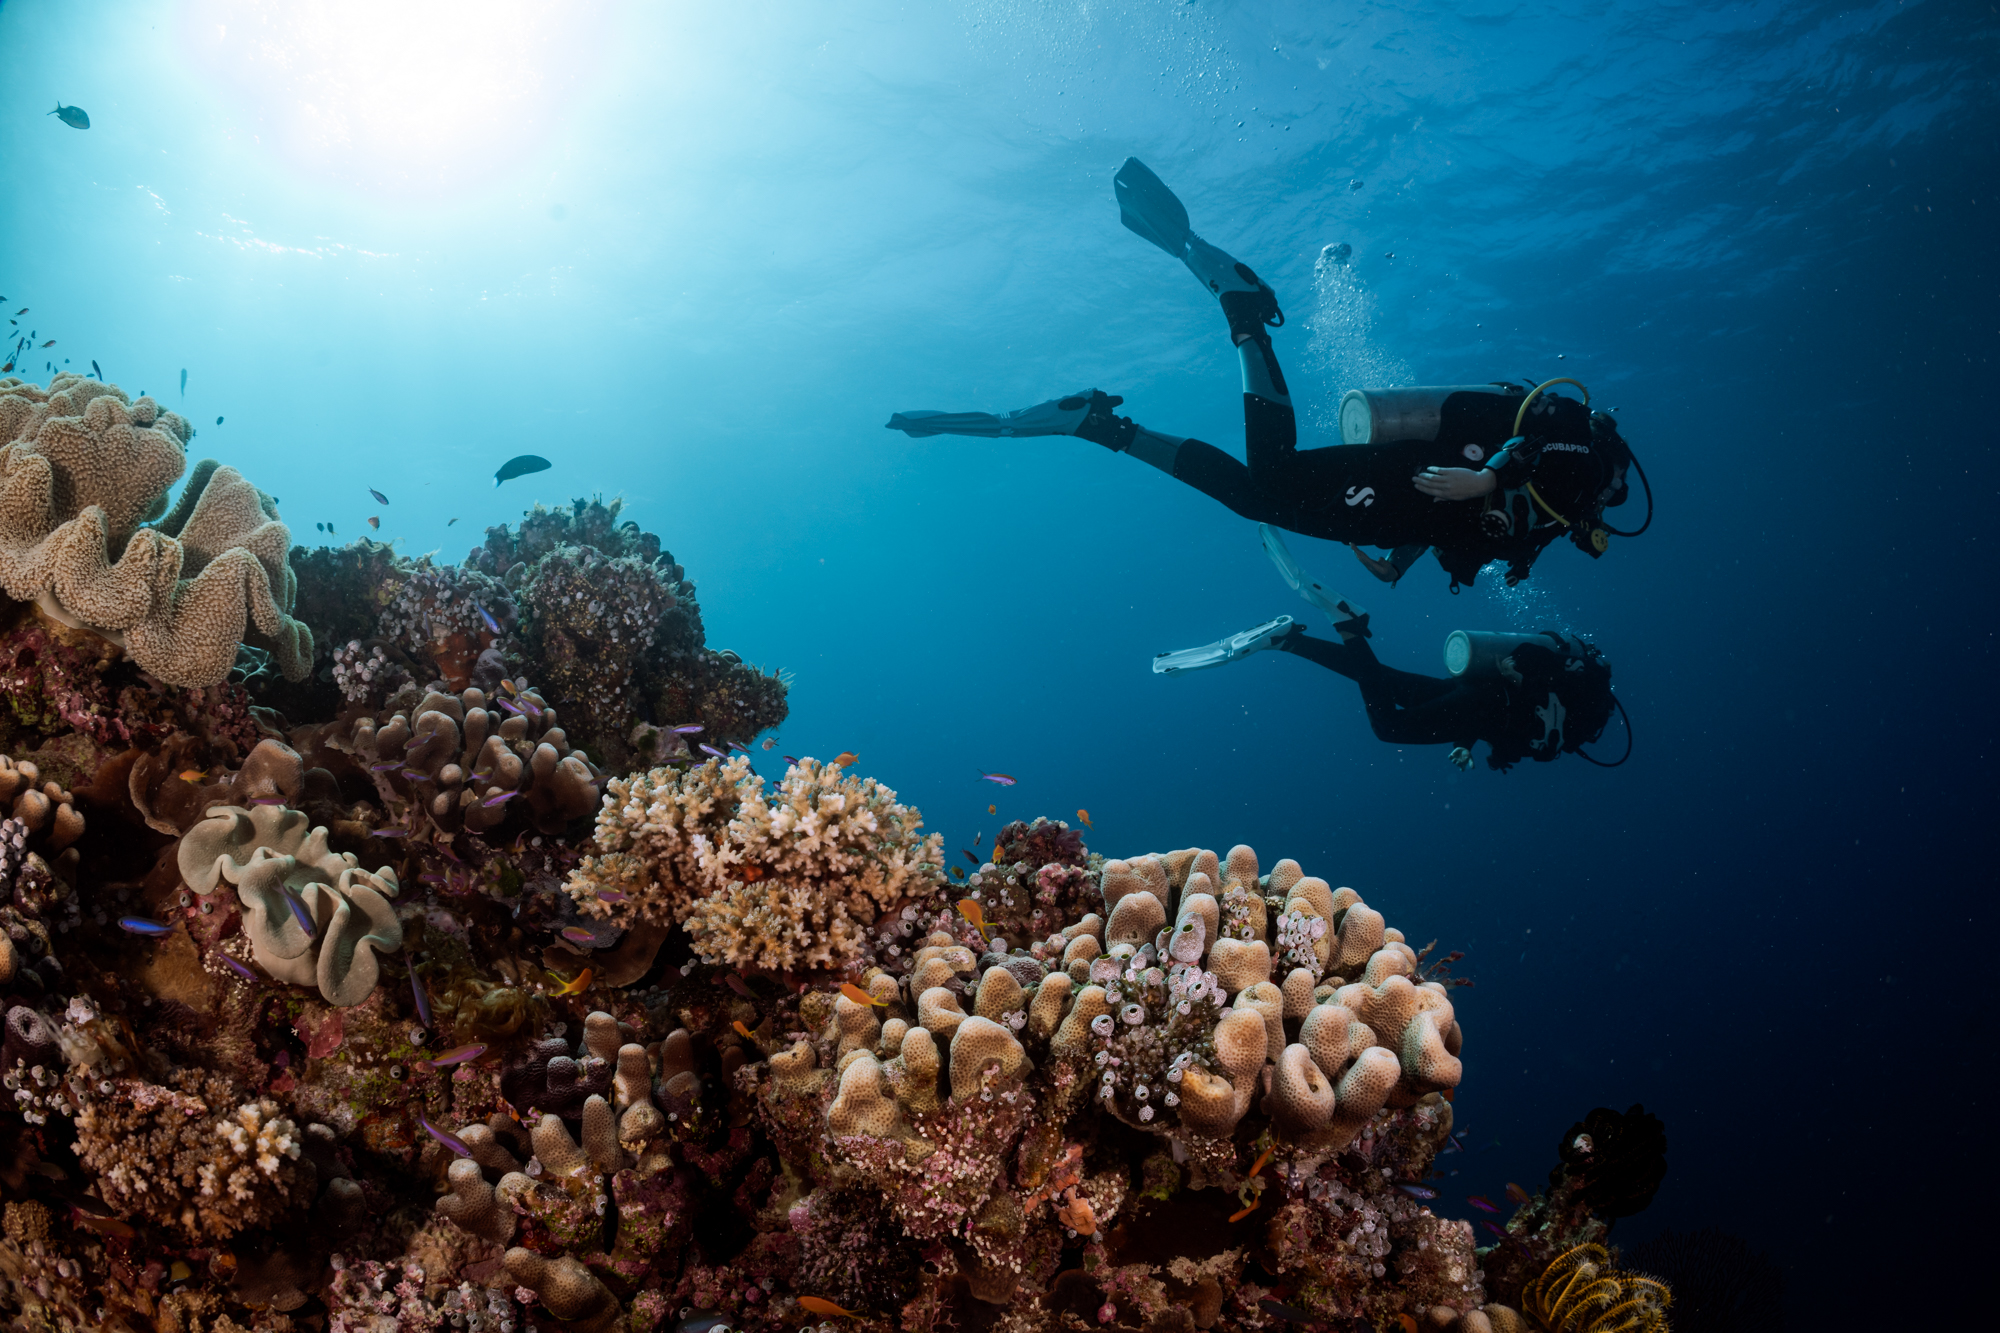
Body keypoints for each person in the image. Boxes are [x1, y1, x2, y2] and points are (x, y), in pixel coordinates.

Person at [889, 159, 1645, 591]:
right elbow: (1543, 453)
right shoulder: (1589, 466)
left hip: (1403, 512)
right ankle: (1243, 312)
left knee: (1261, 497)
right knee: (1271, 480)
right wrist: (1487, 481)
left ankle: (1105, 425)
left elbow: (1481, 525)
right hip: (1416, 473)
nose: (1605, 519)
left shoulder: (1554, 518)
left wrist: (1404, 562)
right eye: (1612, 507)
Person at [1151, 527, 1626, 771]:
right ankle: (1346, 621)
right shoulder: (1577, 704)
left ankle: (1288, 641)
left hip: (1476, 705)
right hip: (1480, 700)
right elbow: (1529, 672)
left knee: (1382, 680)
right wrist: (1515, 677)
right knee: (1388, 725)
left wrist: (1464, 745)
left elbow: (1508, 722)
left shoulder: (1562, 722)